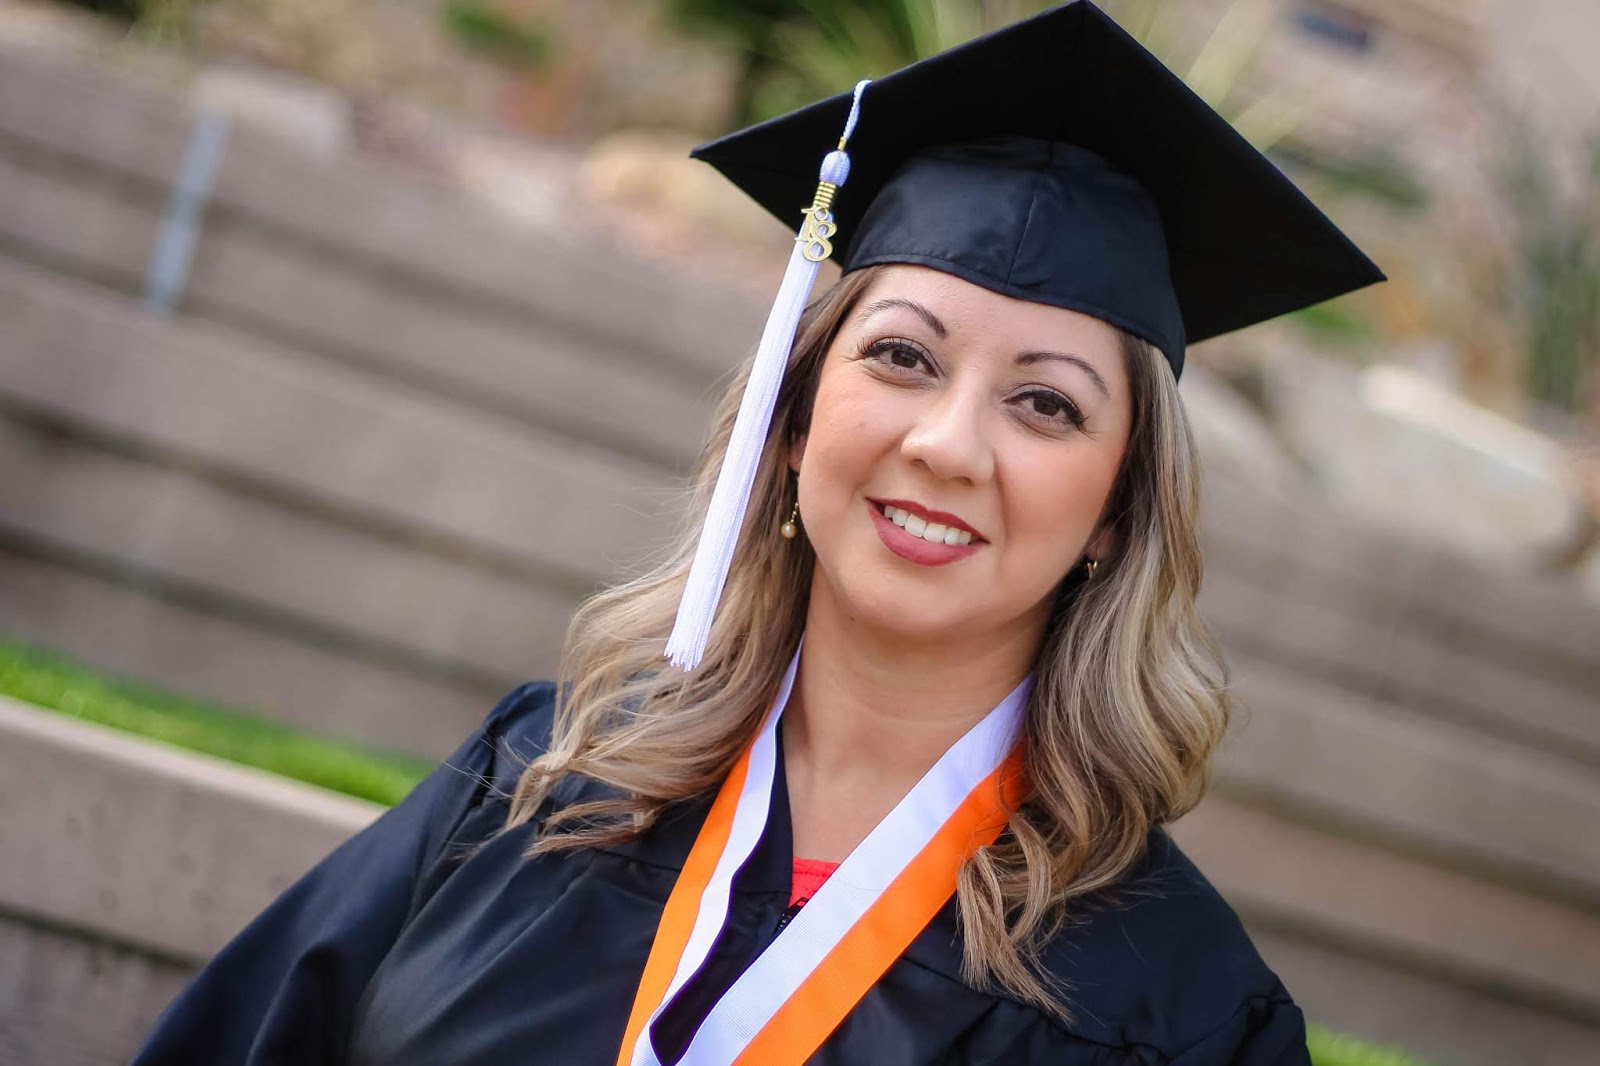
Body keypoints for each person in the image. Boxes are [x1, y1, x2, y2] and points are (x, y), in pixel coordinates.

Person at [131, 3, 1382, 1064]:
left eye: (1045, 403)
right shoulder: (544, 782)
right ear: (790, 422)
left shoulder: (1174, 1008)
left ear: (1117, 510)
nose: (948, 443)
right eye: (901, 355)